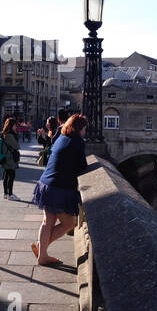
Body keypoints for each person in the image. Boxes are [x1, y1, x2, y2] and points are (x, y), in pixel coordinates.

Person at [31, 114, 89, 266]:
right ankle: (41, 249)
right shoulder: (77, 141)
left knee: (47, 221)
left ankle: (42, 255)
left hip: (45, 183)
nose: (84, 132)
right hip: (59, 188)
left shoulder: (62, 137)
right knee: (69, 223)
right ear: (79, 129)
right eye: (84, 129)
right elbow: (82, 166)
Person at [0, 117, 21, 200]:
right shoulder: (10, 135)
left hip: (5, 157)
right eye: (15, 125)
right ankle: (10, 194)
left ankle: (6, 194)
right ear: (11, 125)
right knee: (11, 176)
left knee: (6, 176)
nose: (16, 127)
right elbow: (17, 146)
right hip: (9, 158)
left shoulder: (3, 134)